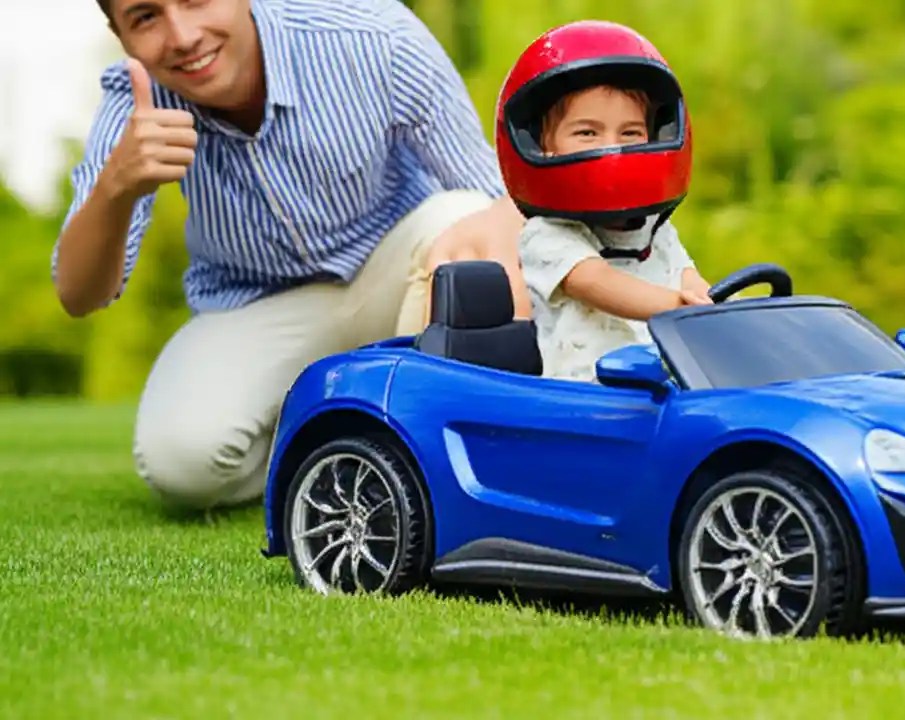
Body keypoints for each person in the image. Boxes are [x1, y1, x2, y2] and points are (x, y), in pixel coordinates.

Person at [53, 0, 530, 510]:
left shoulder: (374, 37)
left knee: (459, 215)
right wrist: (115, 189)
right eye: (146, 16)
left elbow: (502, 207)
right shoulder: (137, 101)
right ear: (120, 34)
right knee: (181, 461)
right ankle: (328, 452)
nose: (183, 34)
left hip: (400, 278)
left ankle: (422, 458)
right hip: (259, 306)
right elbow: (79, 294)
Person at [485, 20, 712, 383]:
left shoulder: (656, 231)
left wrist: (711, 307)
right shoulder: (546, 237)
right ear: (544, 147)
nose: (612, 147)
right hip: (586, 398)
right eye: (588, 132)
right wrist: (678, 309)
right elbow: (598, 282)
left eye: (631, 133)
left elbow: (688, 278)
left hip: (657, 391)